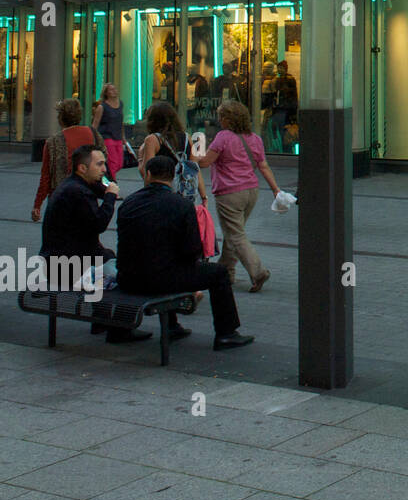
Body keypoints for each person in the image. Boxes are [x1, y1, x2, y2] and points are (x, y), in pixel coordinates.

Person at [115, 156, 254, 351]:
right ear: (172, 177)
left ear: (148, 174)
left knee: (162, 263)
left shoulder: (129, 202)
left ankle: (172, 326)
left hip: (128, 278)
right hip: (161, 279)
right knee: (219, 273)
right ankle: (226, 333)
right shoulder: (181, 205)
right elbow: (192, 250)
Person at [40, 145, 145, 344]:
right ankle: (120, 329)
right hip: (69, 267)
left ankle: (101, 319)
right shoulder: (78, 193)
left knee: (108, 258)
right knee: (127, 274)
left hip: (56, 262)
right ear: (82, 168)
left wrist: (104, 188)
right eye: (99, 164)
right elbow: (99, 224)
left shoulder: (71, 185)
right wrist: (110, 196)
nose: (104, 169)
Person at [195, 101, 282, 292]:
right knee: (233, 233)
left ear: (228, 119)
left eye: (221, 117)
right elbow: (264, 166)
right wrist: (275, 189)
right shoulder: (255, 138)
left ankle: (258, 272)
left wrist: (195, 151)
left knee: (235, 235)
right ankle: (226, 272)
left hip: (229, 193)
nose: (219, 120)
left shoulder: (223, 137)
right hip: (251, 192)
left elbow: (205, 163)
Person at [32, 98, 108, 222]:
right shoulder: (94, 134)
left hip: (61, 198)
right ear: (79, 115)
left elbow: (46, 177)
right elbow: (104, 158)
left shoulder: (52, 142)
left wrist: (37, 205)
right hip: (87, 194)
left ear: (60, 118)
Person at [137, 102, 209, 207]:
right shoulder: (186, 137)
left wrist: (140, 158)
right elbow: (195, 168)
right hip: (184, 196)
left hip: (162, 195)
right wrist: (204, 196)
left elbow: (146, 172)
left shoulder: (153, 139)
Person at [92, 83, 126, 180]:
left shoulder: (120, 104)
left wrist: (123, 137)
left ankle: (106, 177)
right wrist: (94, 138)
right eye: (111, 90)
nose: (114, 91)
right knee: (113, 163)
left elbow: (120, 121)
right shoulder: (102, 107)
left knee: (120, 164)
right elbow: (95, 123)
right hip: (107, 137)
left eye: (114, 89)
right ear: (106, 93)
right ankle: (113, 182)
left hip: (118, 136)